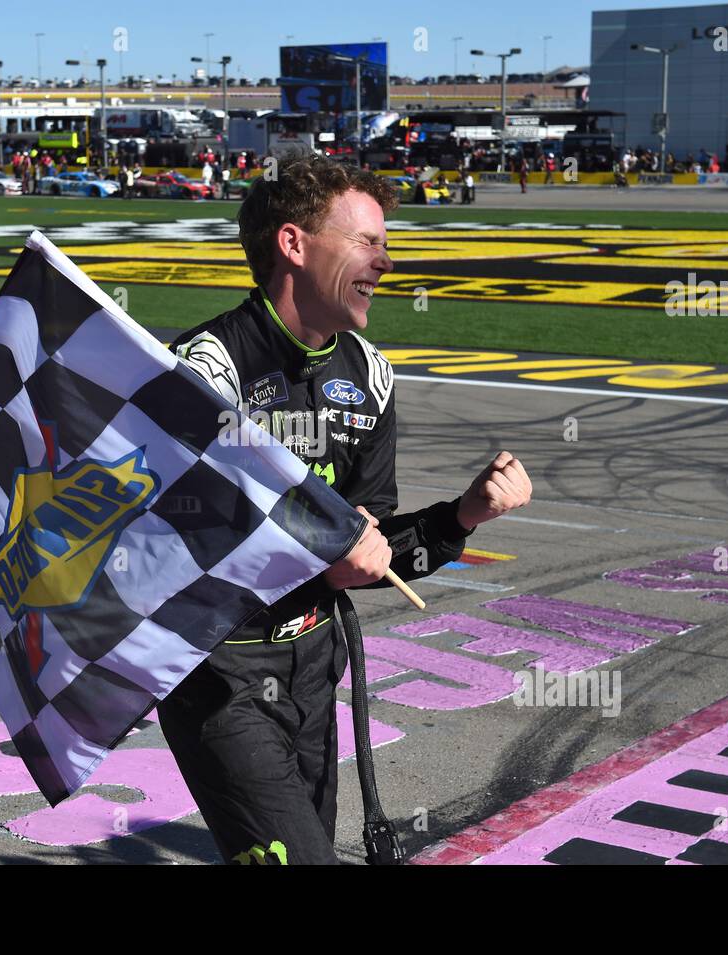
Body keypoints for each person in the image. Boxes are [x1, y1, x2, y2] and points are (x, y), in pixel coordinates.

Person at [160, 153, 533, 865]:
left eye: (385, 243)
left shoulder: (369, 373)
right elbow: (174, 541)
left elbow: (372, 547)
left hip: (315, 664)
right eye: (366, 241)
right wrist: (322, 557)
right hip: (221, 675)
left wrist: (463, 516)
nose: (384, 261)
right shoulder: (207, 370)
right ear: (294, 245)